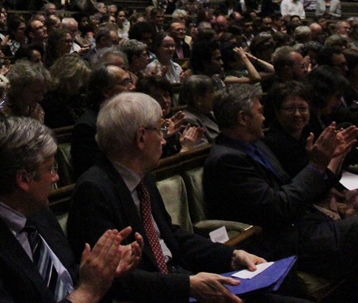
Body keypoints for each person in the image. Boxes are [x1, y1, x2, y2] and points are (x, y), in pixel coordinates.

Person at [203, 86, 358, 302]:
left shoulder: (255, 147)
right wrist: (315, 166)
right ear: (243, 118)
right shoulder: (228, 160)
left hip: (312, 223)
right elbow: (278, 208)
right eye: (259, 112)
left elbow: (298, 189)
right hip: (293, 241)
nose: (264, 118)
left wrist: (328, 162)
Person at [67, 92, 290, 303]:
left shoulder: (142, 177)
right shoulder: (94, 190)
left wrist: (232, 255)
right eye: (160, 129)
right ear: (141, 137)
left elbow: (171, 236)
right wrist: (187, 285)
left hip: (179, 279)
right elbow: (111, 277)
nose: (164, 140)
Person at [0, 116, 141, 303]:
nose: (56, 177)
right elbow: (79, 292)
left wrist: (105, 269)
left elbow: (65, 280)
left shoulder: (35, 209)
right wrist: (88, 291)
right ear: (23, 179)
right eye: (50, 169)